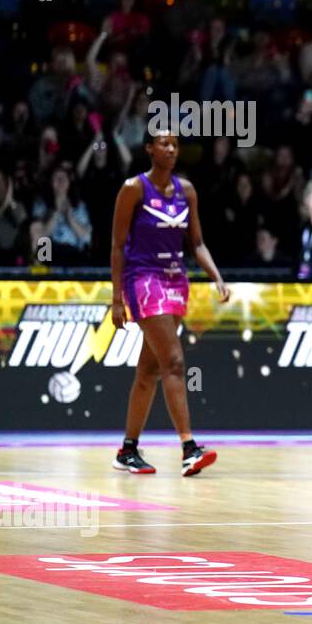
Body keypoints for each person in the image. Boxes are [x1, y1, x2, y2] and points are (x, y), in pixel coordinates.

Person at [110, 130, 228, 476]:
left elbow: (198, 243)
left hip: (176, 281)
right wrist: (116, 299)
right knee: (174, 362)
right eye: (164, 143)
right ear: (149, 148)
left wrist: (216, 277)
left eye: (175, 144)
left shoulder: (186, 190)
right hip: (143, 280)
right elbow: (117, 246)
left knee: (149, 370)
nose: (171, 148)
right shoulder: (133, 189)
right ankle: (189, 448)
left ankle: (127, 450)